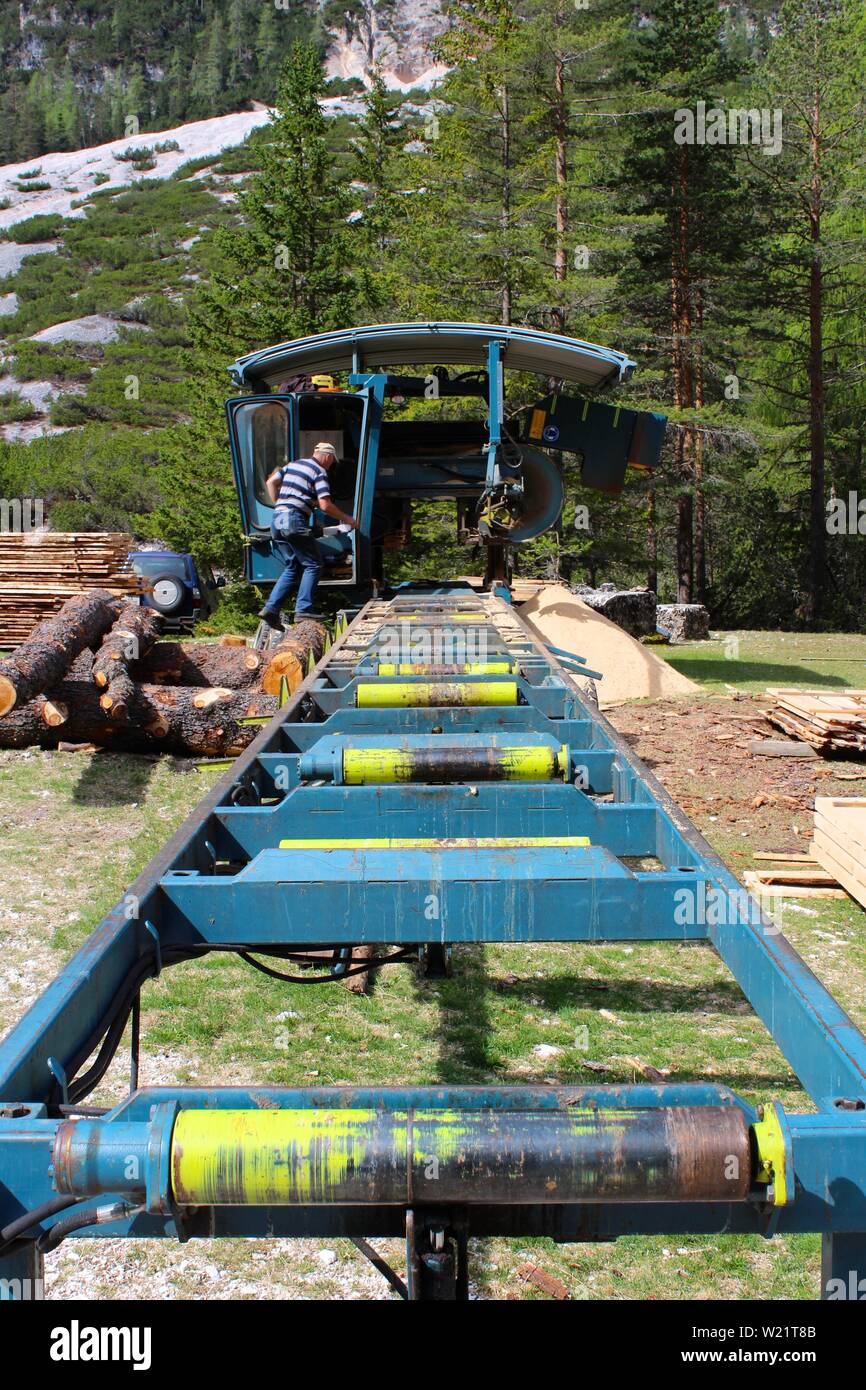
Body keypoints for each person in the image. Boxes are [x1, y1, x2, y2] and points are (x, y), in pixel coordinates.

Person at [259, 442, 358, 629]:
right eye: (331, 462)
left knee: (293, 565)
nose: (330, 466)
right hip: (294, 520)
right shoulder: (319, 472)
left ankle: (271, 610)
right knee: (313, 564)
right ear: (328, 457)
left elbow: (270, 482)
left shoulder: (293, 465)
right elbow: (325, 505)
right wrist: (348, 519)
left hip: (277, 520)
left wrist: (279, 504)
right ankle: (303, 609)